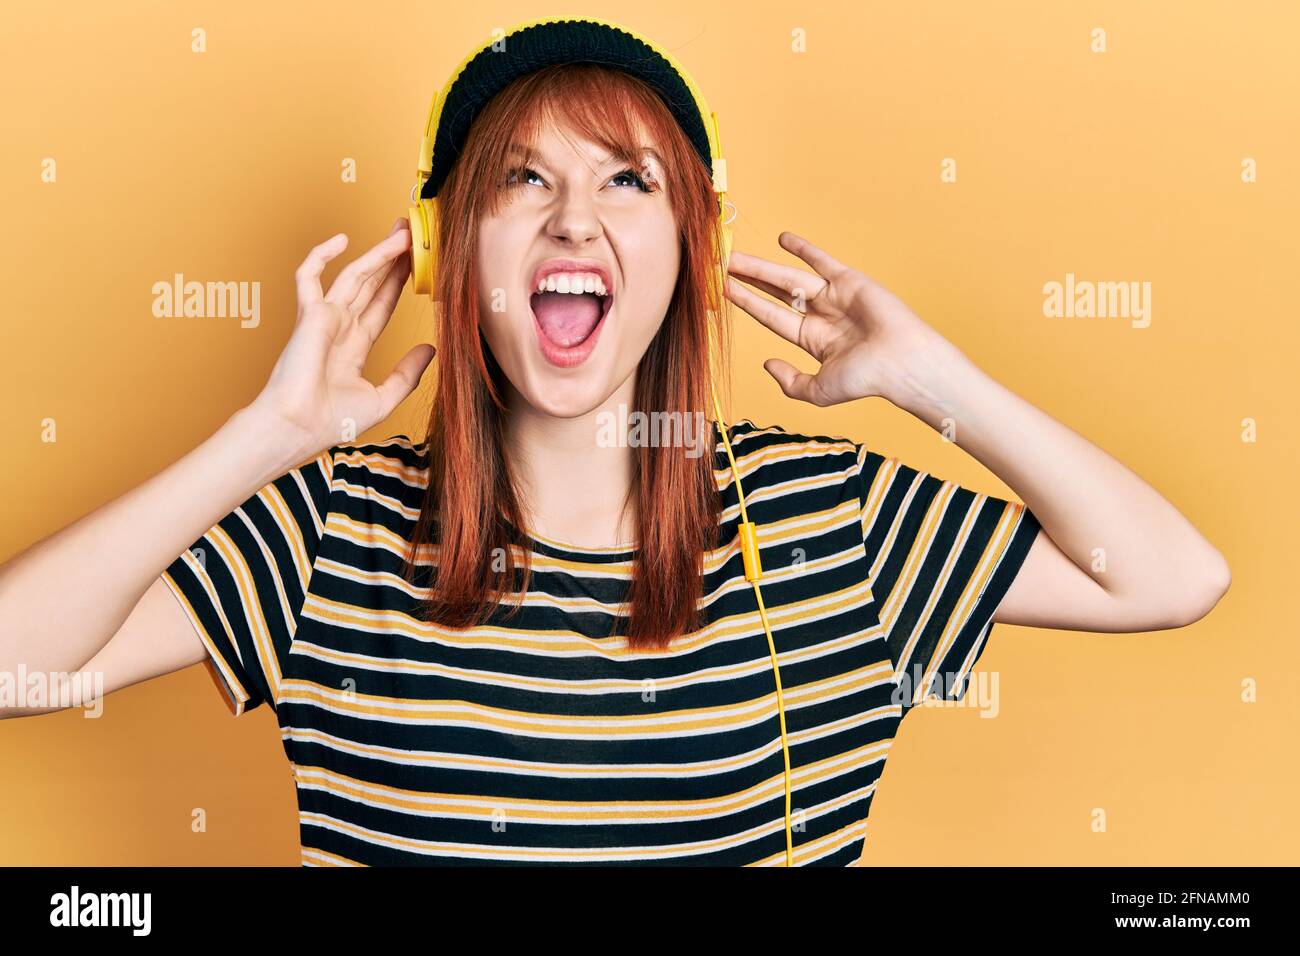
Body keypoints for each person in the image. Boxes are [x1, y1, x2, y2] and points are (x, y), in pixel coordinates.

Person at [0, 19, 1229, 866]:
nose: (573, 219)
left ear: (691, 247)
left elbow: (1170, 575)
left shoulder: (827, 523)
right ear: (447, 253)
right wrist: (258, 440)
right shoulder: (329, 533)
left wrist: (931, 379)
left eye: (628, 181)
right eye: (522, 181)